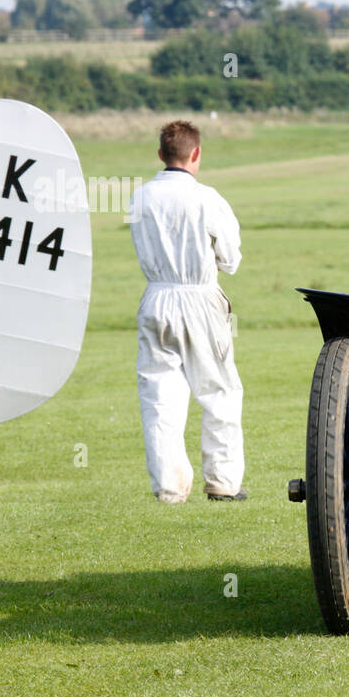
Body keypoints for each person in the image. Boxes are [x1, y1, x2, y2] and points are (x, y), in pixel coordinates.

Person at [129, 120, 246, 503]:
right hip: (199, 298)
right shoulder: (208, 198)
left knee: (160, 397)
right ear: (195, 153)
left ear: (161, 153)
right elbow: (230, 260)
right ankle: (224, 482)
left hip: (156, 299)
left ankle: (168, 487)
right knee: (219, 391)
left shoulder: (140, 198)